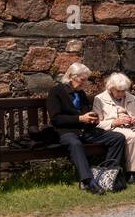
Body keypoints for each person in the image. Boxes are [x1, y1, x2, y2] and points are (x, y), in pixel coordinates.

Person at [47, 62, 126, 194]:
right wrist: (79, 119)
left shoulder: (81, 94)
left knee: (117, 138)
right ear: (72, 76)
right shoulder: (56, 92)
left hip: (85, 131)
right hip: (66, 132)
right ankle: (89, 181)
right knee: (75, 144)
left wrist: (93, 119)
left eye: (85, 80)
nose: (84, 83)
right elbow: (56, 119)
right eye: (82, 79)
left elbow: (86, 113)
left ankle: (106, 176)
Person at [93, 72, 135, 184]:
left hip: (133, 126)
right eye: (118, 91)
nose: (121, 94)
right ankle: (131, 173)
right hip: (114, 128)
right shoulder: (99, 99)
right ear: (111, 88)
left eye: (123, 91)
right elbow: (98, 123)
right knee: (131, 137)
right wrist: (114, 122)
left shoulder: (132, 98)